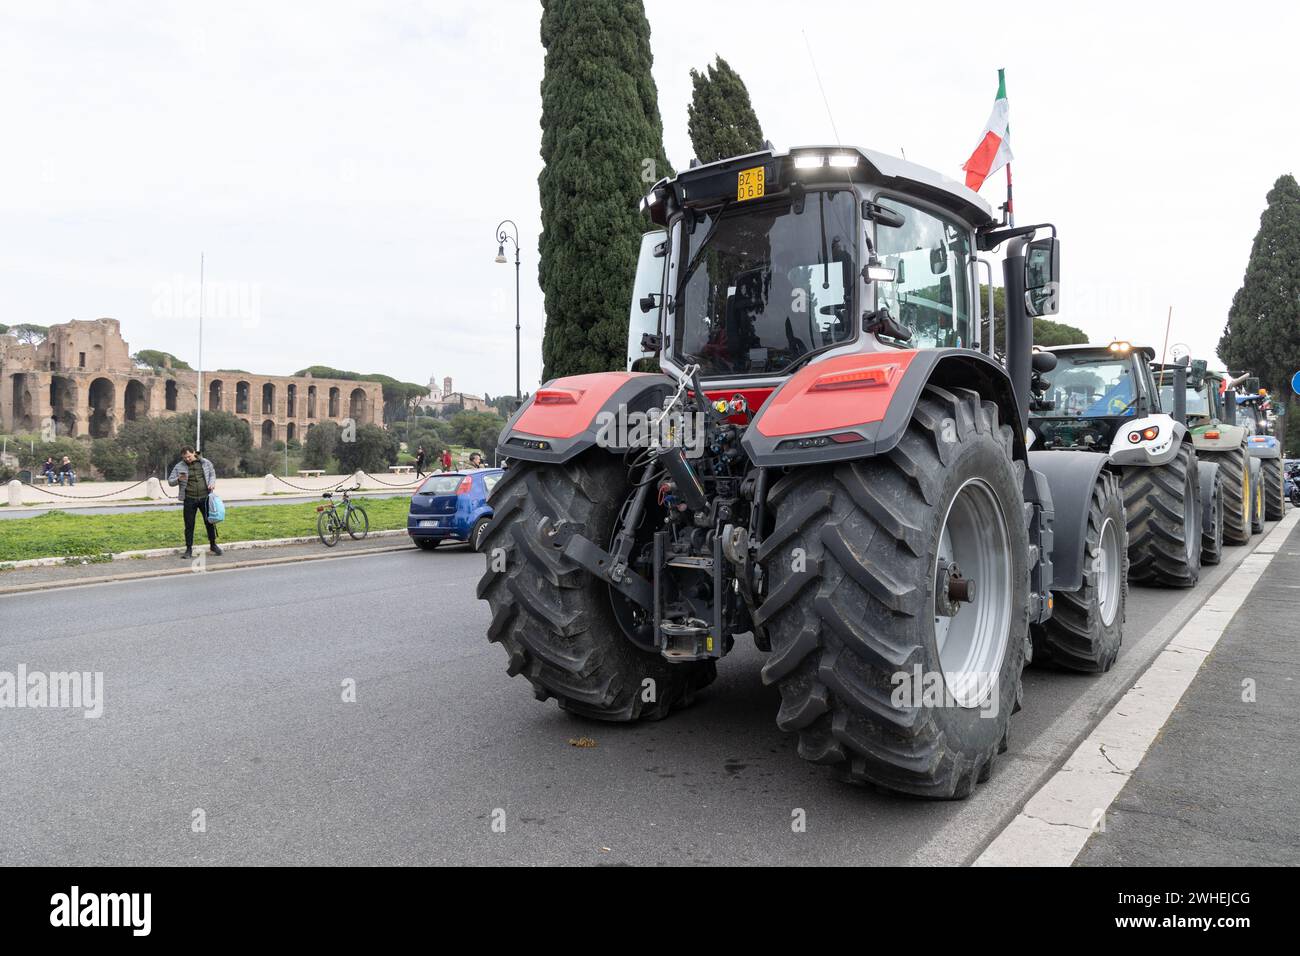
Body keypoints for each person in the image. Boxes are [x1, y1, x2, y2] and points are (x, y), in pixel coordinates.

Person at [167, 446, 222, 558]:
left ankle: (213, 544)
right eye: (185, 458)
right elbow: (170, 482)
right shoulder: (179, 466)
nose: (187, 459)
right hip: (189, 499)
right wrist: (178, 479)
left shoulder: (205, 462)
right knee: (189, 525)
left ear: (194, 453)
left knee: (210, 522)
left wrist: (212, 483)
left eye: (189, 456)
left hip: (205, 498)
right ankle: (188, 550)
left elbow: (212, 473)